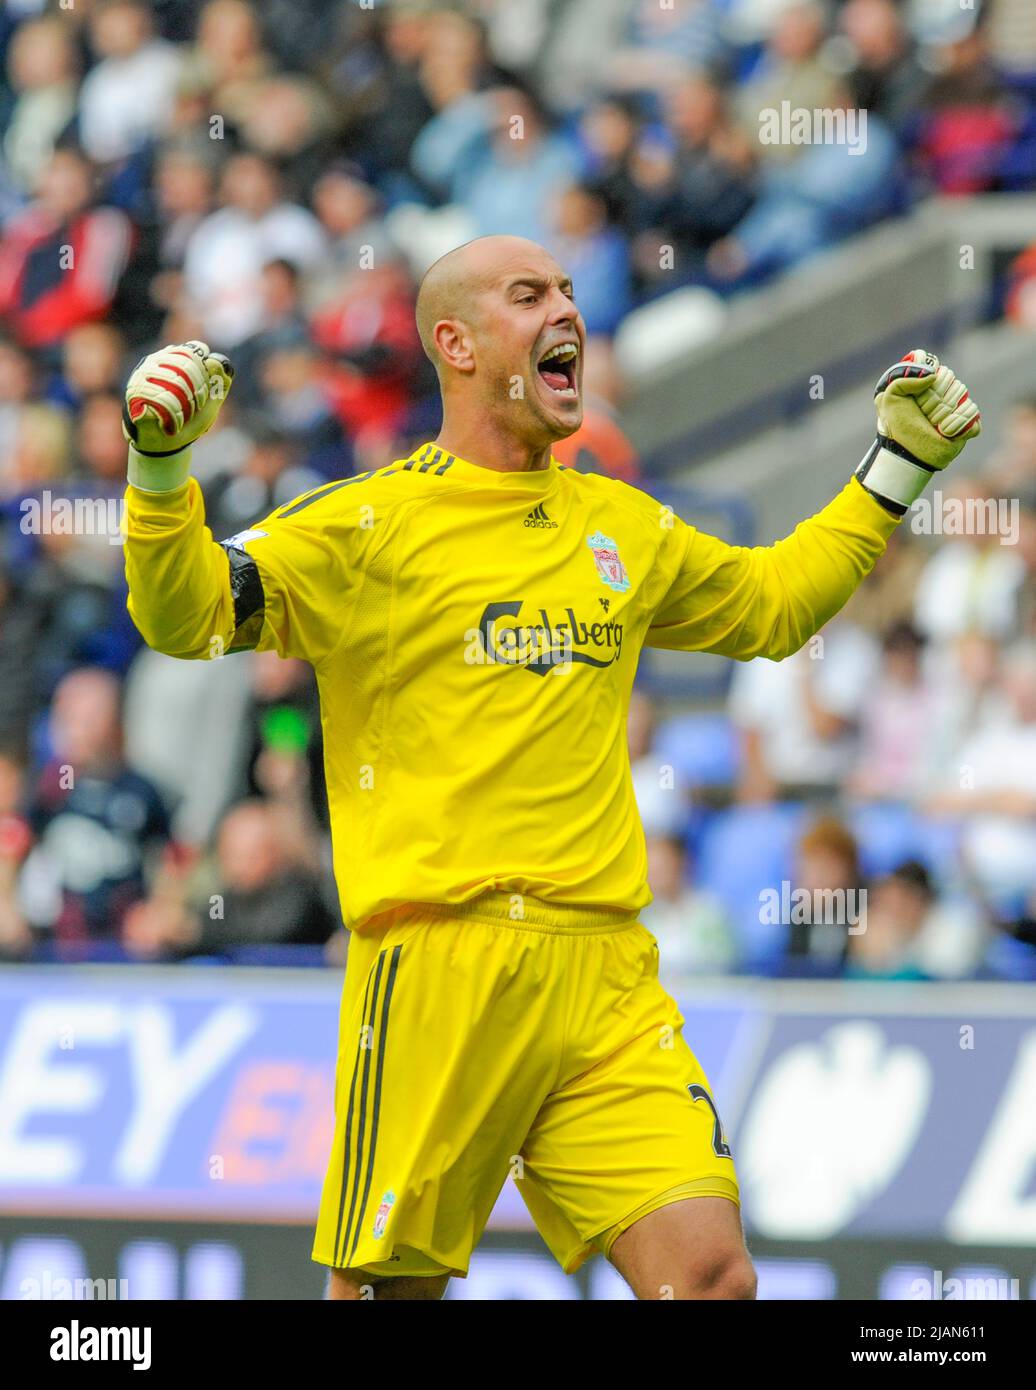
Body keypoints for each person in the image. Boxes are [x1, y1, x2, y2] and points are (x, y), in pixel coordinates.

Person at [120, 236, 980, 1301]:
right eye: (529, 295)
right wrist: (161, 474)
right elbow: (184, 615)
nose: (566, 310)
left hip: (606, 971)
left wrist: (893, 468)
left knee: (711, 1278)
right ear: (457, 342)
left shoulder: (620, 522)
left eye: (571, 290)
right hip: (440, 967)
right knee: (389, 1296)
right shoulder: (365, 525)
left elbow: (771, 608)